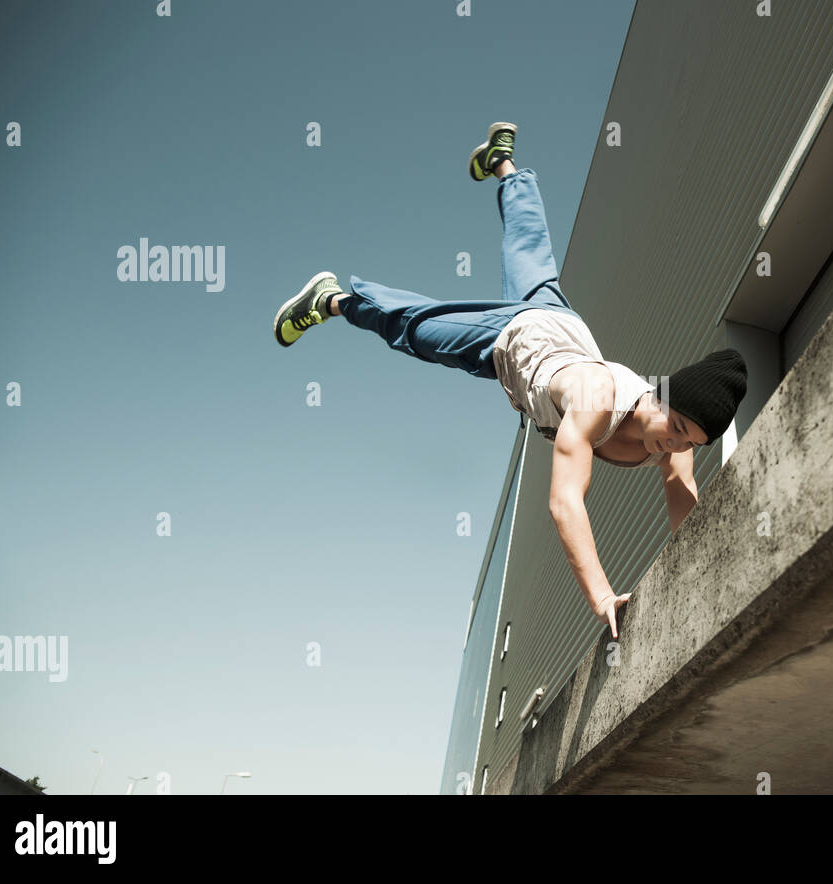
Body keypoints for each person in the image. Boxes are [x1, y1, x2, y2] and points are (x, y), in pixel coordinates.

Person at [272, 123, 746, 638]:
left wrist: (707, 570)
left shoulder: (679, 439)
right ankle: (333, 300)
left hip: (563, 329)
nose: (674, 441)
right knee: (416, 330)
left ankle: (501, 164)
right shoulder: (596, 401)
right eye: (675, 424)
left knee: (528, 245)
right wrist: (603, 595)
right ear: (661, 392)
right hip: (515, 340)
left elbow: (682, 493)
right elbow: (565, 500)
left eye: (689, 440)